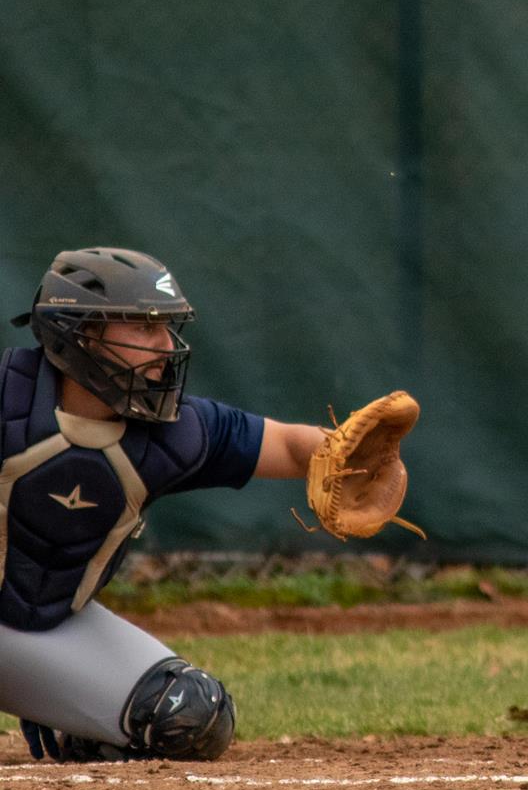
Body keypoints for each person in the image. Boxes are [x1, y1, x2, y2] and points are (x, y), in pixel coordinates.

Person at [2, 247, 367, 761]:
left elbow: (286, 445)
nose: (165, 345)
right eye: (144, 328)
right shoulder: (7, 400)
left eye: (169, 327)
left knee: (190, 714)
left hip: (45, 624)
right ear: (79, 331)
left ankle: (76, 723)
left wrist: (349, 456)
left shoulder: (175, 432)